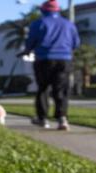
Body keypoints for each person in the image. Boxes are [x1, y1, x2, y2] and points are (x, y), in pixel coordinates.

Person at [20, 0, 79, 130]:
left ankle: (42, 118)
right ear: (57, 10)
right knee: (61, 90)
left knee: (43, 89)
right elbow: (75, 43)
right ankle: (62, 118)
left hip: (44, 59)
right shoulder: (68, 24)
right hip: (64, 59)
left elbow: (31, 41)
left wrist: (27, 50)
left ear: (43, 10)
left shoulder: (38, 23)